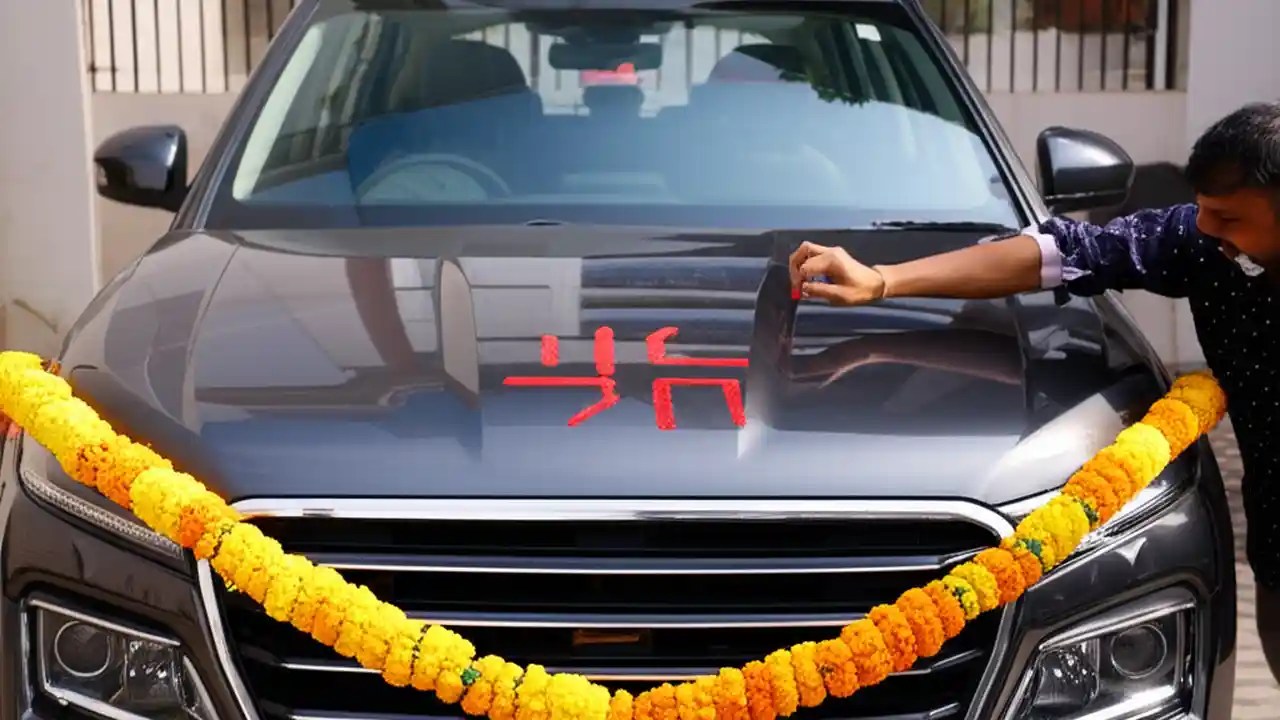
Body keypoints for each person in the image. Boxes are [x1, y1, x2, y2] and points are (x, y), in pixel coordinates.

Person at [789, 100, 1280, 681]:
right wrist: (886, 280)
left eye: (1227, 219)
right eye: (1202, 212)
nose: (1205, 229)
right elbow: (1064, 253)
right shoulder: (1203, 246)